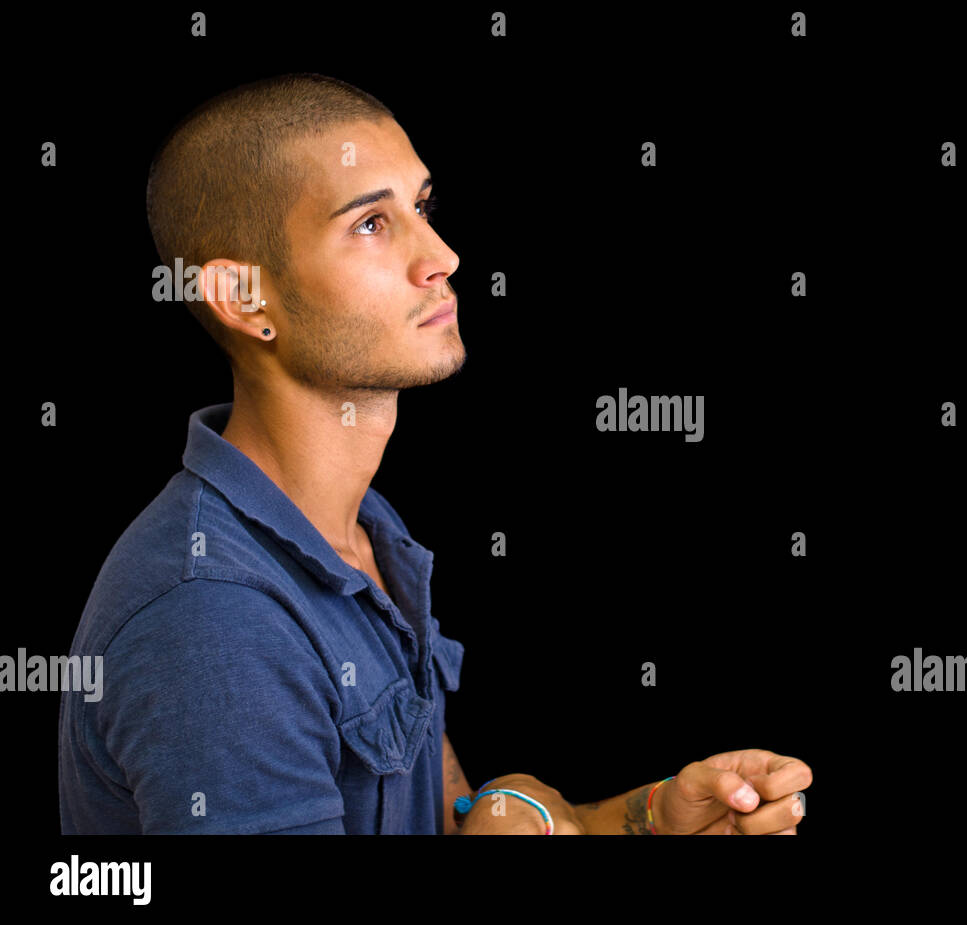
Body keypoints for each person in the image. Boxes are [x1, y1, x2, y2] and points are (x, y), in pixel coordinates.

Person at [57, 73, 810, 834]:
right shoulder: (215, 621)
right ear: (245, 297)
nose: (442, 255)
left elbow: (445, 826)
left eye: (420, 207)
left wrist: (645, 819)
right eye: (370, 225)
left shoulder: (357, 532)